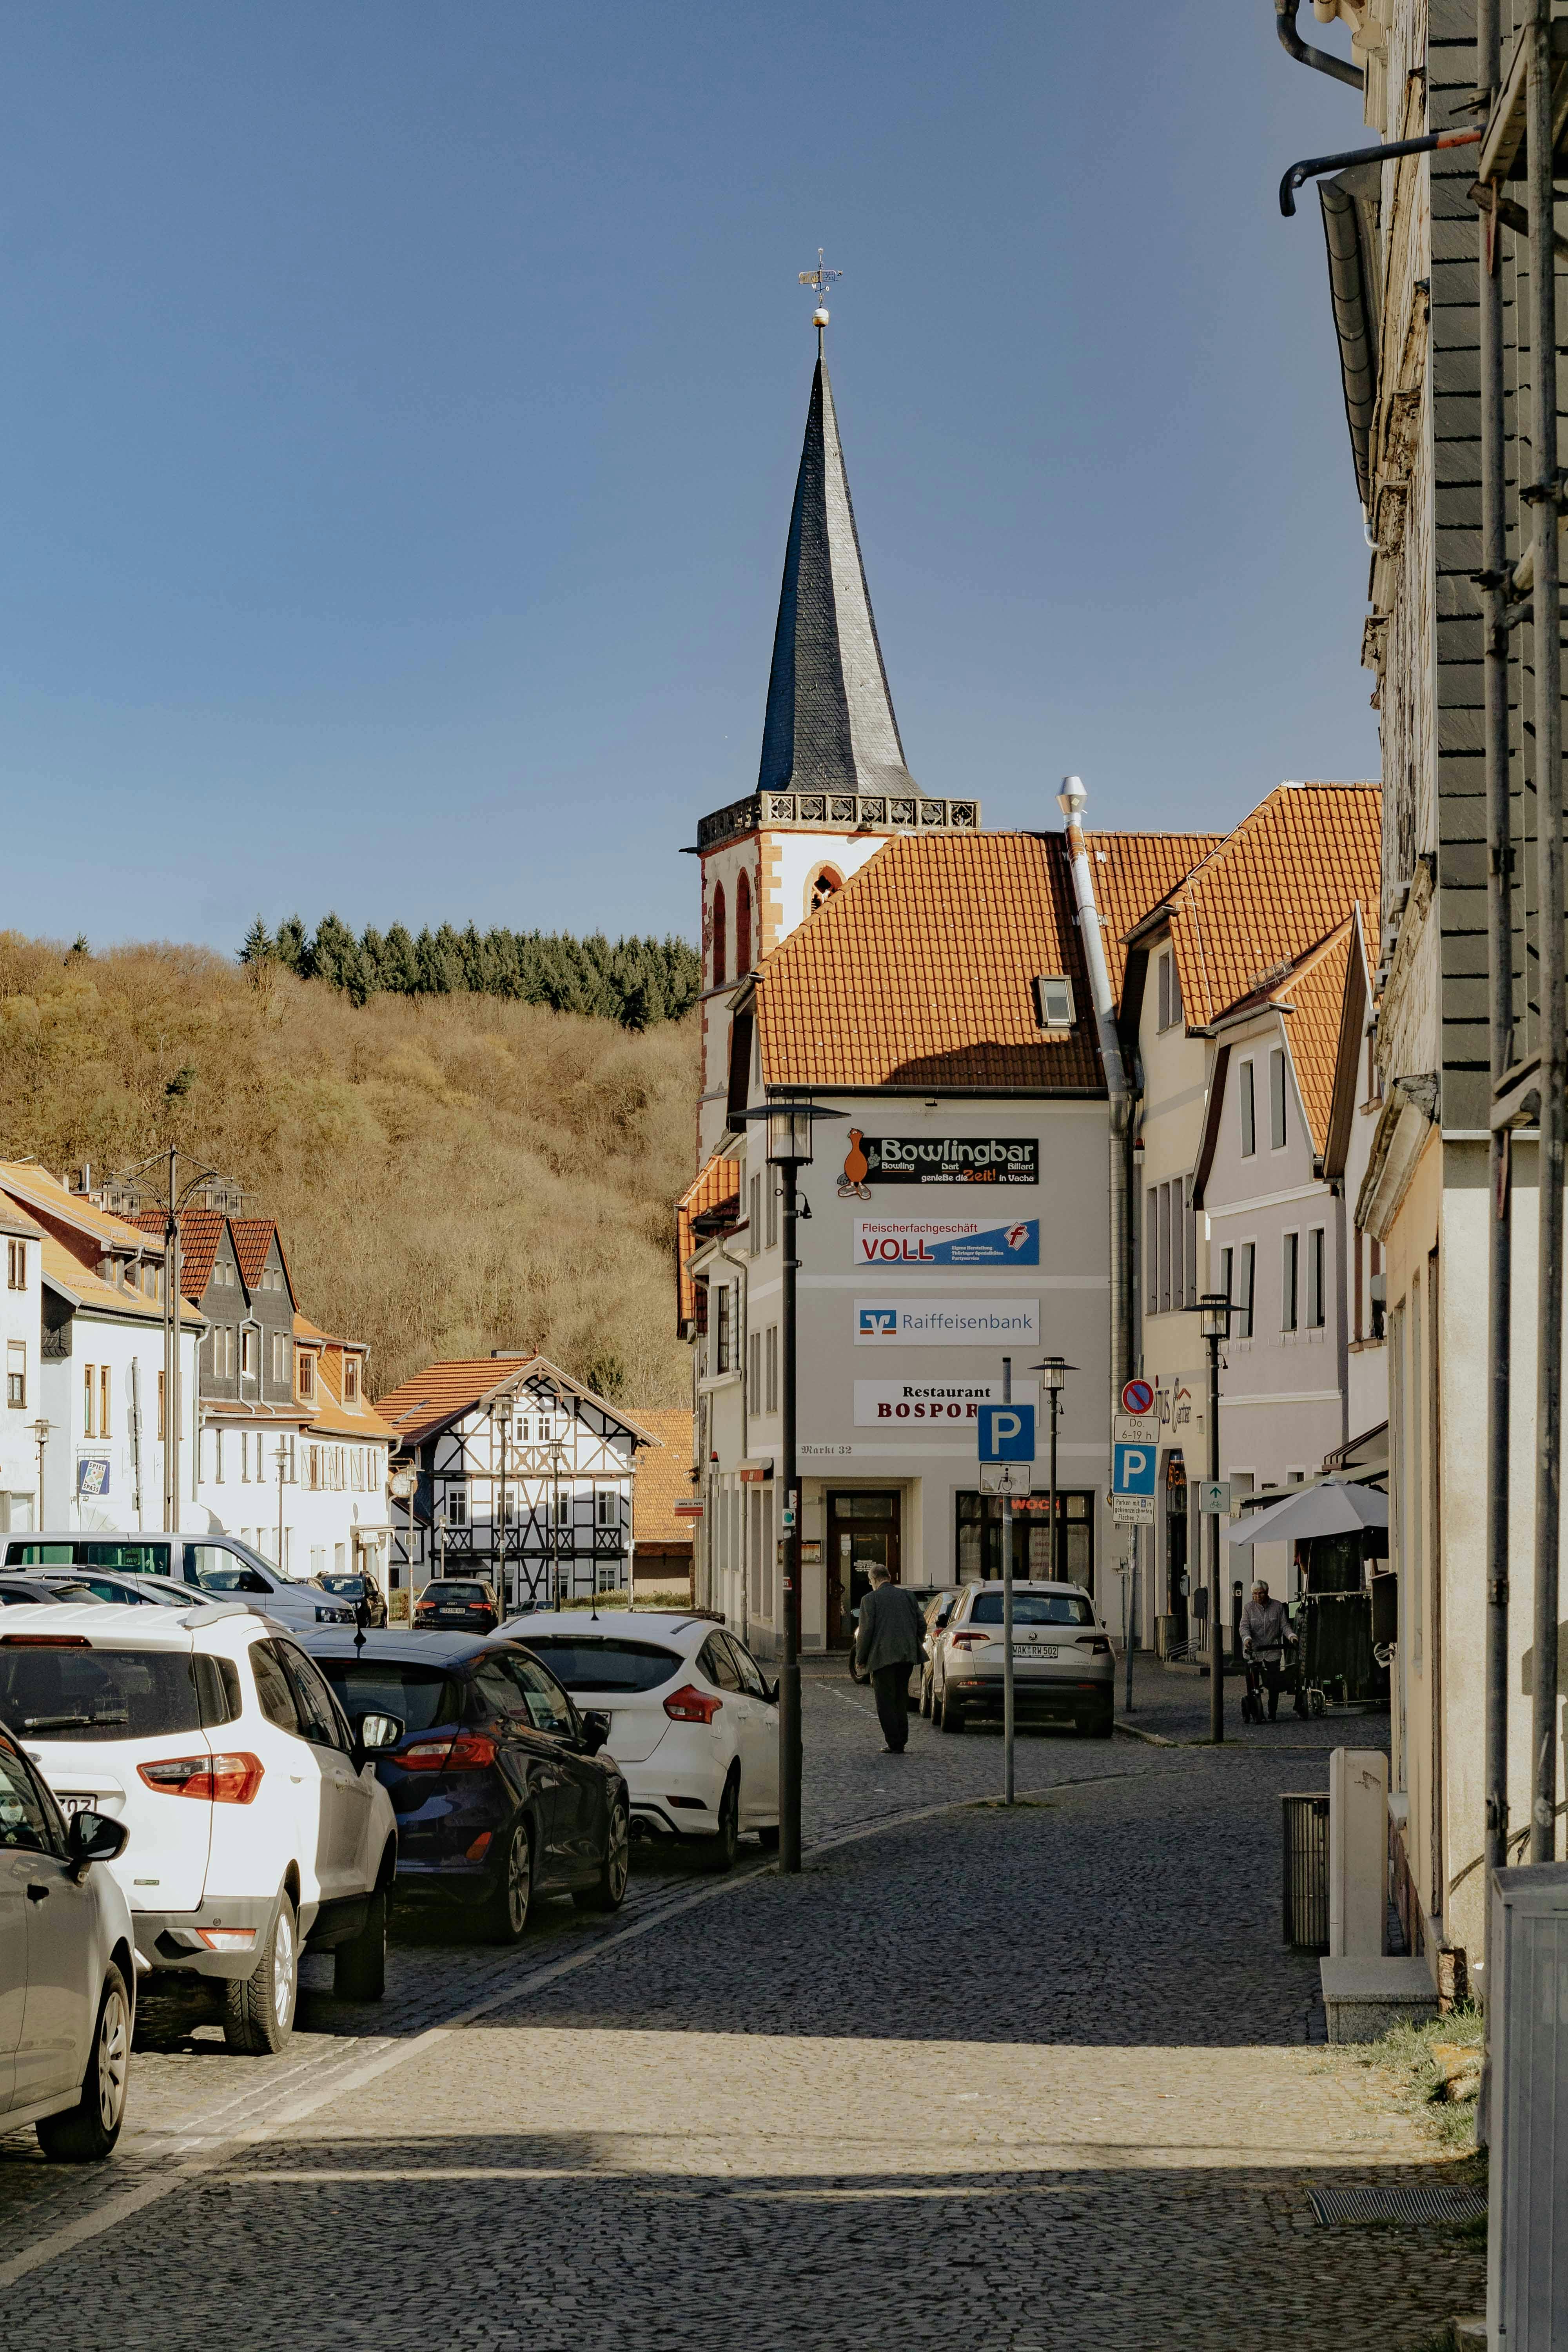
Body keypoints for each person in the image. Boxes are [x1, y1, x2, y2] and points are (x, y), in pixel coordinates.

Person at [853, 1564, 926, 1753]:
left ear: (874, 1580)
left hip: (882, 1658)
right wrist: (914, 1643)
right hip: (906, 1656)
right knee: (901, 1698)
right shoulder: (908, 1596)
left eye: (870, 1582)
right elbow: (922, 1624)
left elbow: (866, 1632)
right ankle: (902, 1739)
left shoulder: (870, 1599)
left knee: (885, 1702)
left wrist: (860, 1659)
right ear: (889, 1577)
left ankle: (895, 1742)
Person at [1238, 1579, 1300, 1722]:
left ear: (1267, 1593)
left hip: (1272, 1649)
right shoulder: (1248, 1608)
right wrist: (1247, 1639)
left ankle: (1273, 1712)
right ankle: (1255, 1710)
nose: (1257, 1597)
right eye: (1254, 1594)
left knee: (1274, 1683)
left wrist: (1292, 1636)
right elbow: (1244, 1626)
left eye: (1260, 1593)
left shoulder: (1277, 1606)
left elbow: (1284, 1625)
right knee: (1252, 1682)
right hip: (1254, 1650)